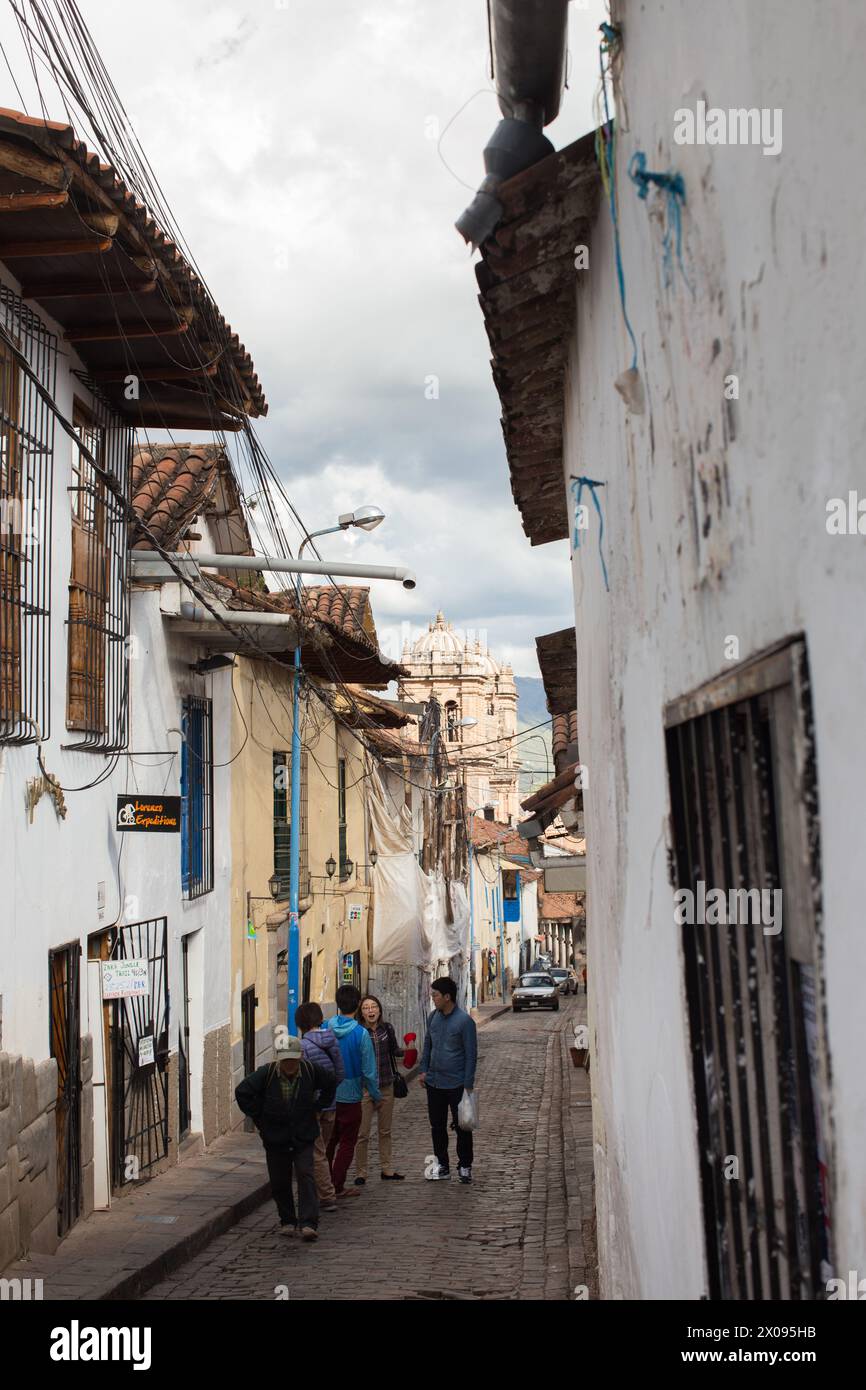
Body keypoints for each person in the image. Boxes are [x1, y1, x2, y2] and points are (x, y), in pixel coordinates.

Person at [235, 1029, 335, 1241]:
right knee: (279, 1180)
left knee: (306, 1175)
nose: (289, 1065)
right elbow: (242, 1092)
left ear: (299, 1058)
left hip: (303, 1134)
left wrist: (319, 1107)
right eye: (285, 1060)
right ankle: (288, 1220)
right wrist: (259, 1116)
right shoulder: (267, 1073)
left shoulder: (309, 1071)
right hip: (276, 1137)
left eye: (292, 1060)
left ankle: (309, 1222)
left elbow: (330, 1082)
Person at [323, 984, 381, 1197]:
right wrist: (375, 1094)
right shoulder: (360, 1033)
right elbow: (368, 1070)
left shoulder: (325, 1026)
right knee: (347, 1143)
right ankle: (337, 1185)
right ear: (358, 1005)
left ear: (338, 1004)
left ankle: (325, 1183)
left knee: (329, 1142)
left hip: (328, 1094)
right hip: (351, 1096)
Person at [419, 976, 477, 1184]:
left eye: (435, 995)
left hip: (457, 1084)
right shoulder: (433, 1017)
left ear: (447, 997)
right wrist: (423, 1070)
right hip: (434, 1083)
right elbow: (428, 1046)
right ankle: (442, 1165)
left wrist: (467, 1086)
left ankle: (465, 1165)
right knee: (437, 1126)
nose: (432, 998)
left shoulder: (464, 1022)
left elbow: (471, 1055)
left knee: (463, 1126)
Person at [296, 1000, 344, 1212]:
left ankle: (326, 1195)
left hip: (313, 1106)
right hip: (331, 1103)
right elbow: (339, 1073)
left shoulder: (303, 1047)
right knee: (321, 1149)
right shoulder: (331, 1039)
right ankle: (319, 1191)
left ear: (300, 1024)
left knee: (317, 1153)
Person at [354, 994, 405, 1185]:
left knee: (385, 1131)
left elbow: (395, 1051)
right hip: (365, 1089)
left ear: (379, 1009)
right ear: (361, 1012)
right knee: (362, 1133)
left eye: (373, 1006)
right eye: (366, 1008)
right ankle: (361, 1172)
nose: (370, 1010)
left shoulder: (387, 1029)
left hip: (386, 1086)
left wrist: (407, 1050)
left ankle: (387, 1168)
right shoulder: (358, 1031)